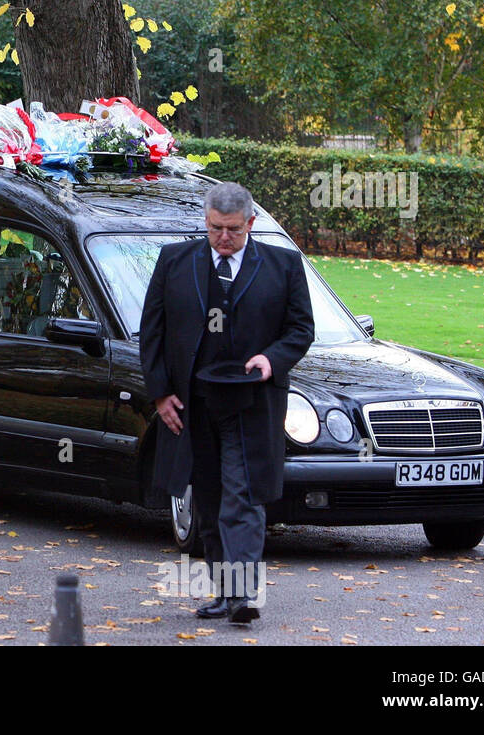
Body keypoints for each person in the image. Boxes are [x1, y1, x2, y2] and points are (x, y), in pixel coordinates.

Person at [139, 182, 314, 624]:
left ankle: (241, 596)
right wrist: (160, 393)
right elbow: (152, 332)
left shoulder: (283, 264)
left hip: (252, 404)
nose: (223, 238)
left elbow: (300, 329)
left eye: (233, 230)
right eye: (216, 228)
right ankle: (224, 591)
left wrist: (271, 359)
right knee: (211, 501)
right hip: (193, 404)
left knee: (244, 497)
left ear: (250, 223)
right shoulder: (175, 261)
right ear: (206, 220)